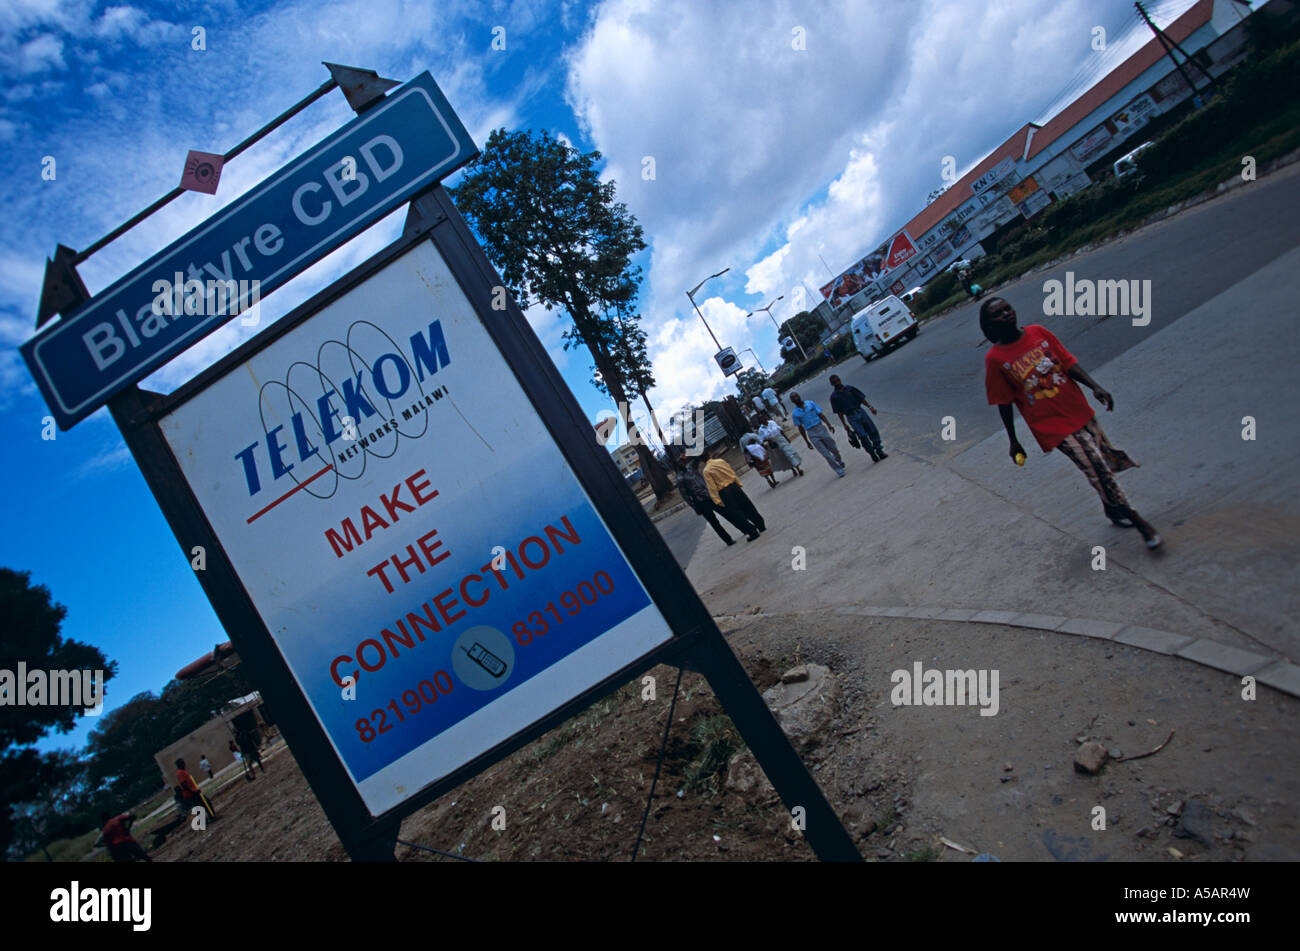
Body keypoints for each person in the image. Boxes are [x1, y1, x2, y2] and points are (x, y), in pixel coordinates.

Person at [980, 297, 1161, 549]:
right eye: (998, 314)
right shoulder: (995, 359)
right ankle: (1140, 522)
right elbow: (1004, 402)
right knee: (1096, 468)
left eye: (1008, 308)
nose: (1006, 315)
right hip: (1051, 427)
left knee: (1103, 457)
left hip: (1077, 410)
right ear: (989, 325)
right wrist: (1014, 441)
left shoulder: (1038, 333)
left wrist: (1095, 387)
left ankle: (1111, 510)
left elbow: (1066, 362)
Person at [701, 448, 766, 541]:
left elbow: (712, 487)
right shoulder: (720, 461)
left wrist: (717, 500)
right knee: (747, 505)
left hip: (725, 492)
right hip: (734, 486)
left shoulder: (706, 471)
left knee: (737, 513)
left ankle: (752, 531)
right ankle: (760, 525)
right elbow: (731, 471)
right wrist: (738, 483)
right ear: (709, 454)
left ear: (702, 460)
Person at [675, 457, 739, 546]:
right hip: (701, 503)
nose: (682, 463)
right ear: (677, 465)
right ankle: (728, 540)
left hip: (710, 496)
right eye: (680, 463)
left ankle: (744, 528)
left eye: (682, 461)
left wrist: (688, 454)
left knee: (727, 513)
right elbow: (685, 496)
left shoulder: (691, 467)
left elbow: (697, 456)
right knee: (715, 523)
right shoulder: (680, 478)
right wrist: (695, 508)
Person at [829, 374, 888, 462]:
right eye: (835, 382)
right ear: (832, 384)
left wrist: (870, 407)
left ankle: (879, 450)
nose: (837, 383)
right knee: (862, 436)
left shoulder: (850, 389)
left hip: (860, 411)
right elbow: (839, 412)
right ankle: (871, 452)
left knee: (873, 431)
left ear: (840, 380)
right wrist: (844, 424)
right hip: (851, 417)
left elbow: (861, 398)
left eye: (838, 380)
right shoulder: (834, 397)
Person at [789, 391, 845, 477]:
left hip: (820, 427)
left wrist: (828, 424)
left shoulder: (810, 403)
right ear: (792, 401)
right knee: (826, 454)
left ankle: (839, 460)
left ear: (799, 396)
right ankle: (838, 470)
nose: (795, 398)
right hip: (812, 433)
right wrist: (807, 441)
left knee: (833, 448)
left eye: (796, 396)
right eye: (793, 398)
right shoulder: (795, 413)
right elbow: (800, 428)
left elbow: (820, 414)